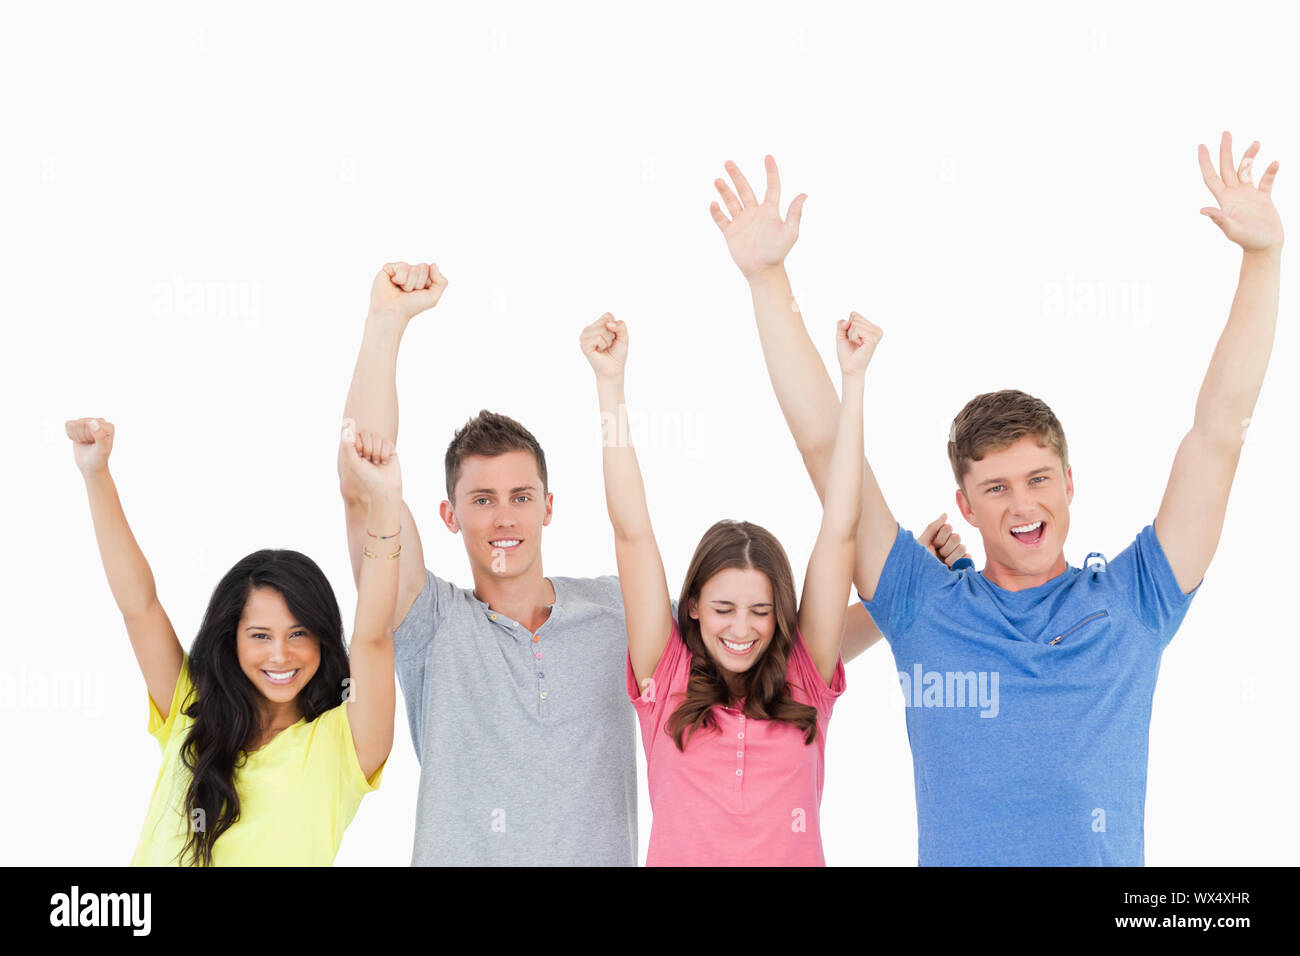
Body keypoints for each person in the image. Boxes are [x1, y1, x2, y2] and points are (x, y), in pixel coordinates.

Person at [711, 136, 1282, 865]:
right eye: (997, 488)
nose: (1023, 505)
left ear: (1069, 484)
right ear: (966, 504)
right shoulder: (922, 603)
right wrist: (768, 280)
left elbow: (1218, 436)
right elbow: (826, 448)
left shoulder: (1138, 598)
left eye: (1039, 478)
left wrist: (1262, 262)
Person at [338, 262, 968, 866]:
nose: (504, 519)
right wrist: (384, 325)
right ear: (449, 515)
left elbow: (781, 632)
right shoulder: (430, 621)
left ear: (548, 507)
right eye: (482, 501)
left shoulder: (614, 613)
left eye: (520, 497)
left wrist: (899, 606)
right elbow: (364, 485)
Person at [580, 307, 876, 865]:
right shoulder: (662, 678)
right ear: (692, 606)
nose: (742, 629)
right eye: (723, 608)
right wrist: (609, 385)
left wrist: (854, 384)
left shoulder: (803, 679)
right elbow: (632, 533)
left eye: (761, 610)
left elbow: (840, 528)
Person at [69, 415, 400, 865]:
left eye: (299, 633)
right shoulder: (192, 710)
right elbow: (139, 605)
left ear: (323, 638)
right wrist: (95, 472)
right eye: (260, 635)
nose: (280, 654)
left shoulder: (344, 745)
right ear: (233, 641)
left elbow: (373, 638)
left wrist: (384, 503)